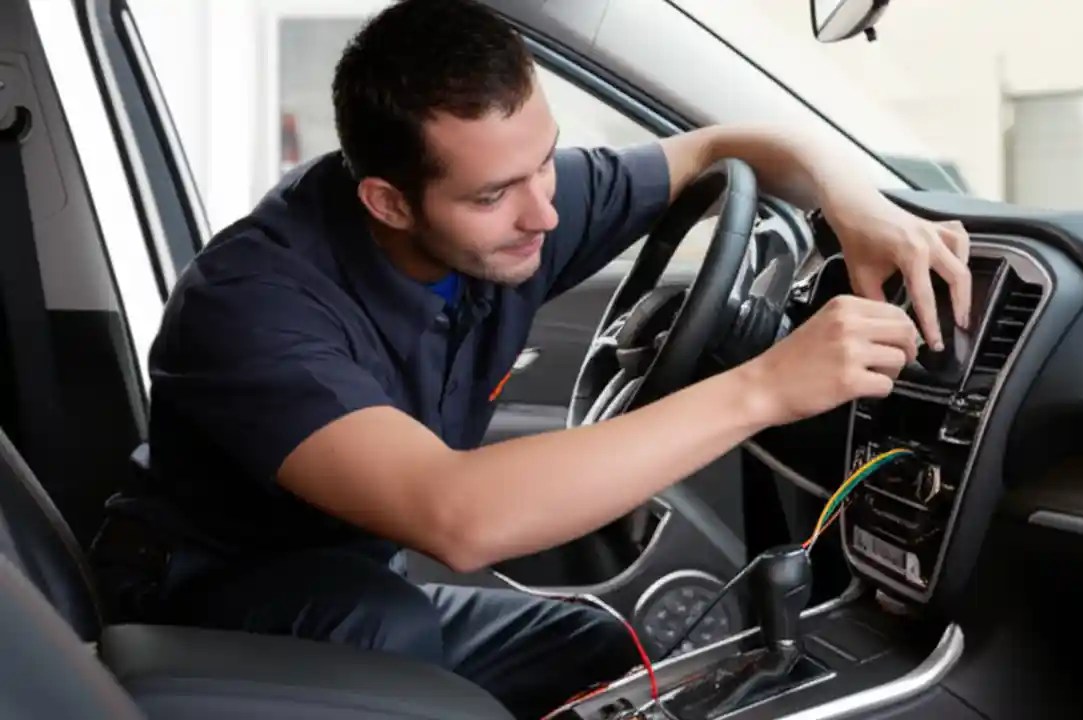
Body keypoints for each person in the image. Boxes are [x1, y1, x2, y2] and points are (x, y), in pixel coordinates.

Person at [93, 0, 972, 717]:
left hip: (352, 578)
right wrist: (766, 387)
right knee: (388, 632)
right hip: (203, 598)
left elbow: (721, 147)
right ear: (389, 203)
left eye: (545, 164)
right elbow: (458, 516)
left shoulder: (514, 197)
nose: (545, 215)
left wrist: (858, 203)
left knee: (601, 653)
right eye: (494, 196)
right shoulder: (251, 307)